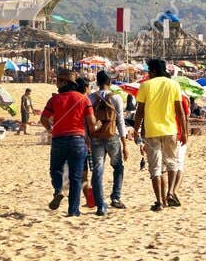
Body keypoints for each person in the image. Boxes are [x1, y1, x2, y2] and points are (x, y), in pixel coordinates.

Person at [134, 57, 189, 212]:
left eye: (149, 71)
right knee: (172, 162)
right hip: (170, 130)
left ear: (154, 71)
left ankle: (159, 201)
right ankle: (170, 192)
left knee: (155, 168)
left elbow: (139, 111)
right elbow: (180, 112)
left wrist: (137, 130)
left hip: (152, 131)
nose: (148, 74)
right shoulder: (173, 85)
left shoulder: (145, 86)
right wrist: (184, 132)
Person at [42, 67, 94, 217]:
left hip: (59, 139)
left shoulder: (54, 99)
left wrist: (50, 129)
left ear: (65, 82)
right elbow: (91, 122)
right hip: (78, 140)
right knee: (76, 177)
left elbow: (43, 118)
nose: (56, 83)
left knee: (55, 170)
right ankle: (73, 211)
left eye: (58, 80)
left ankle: (59, 190)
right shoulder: (84, 99)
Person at [88, 69, 127, 214]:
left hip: (96, 137)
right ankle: (115, 197)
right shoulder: (115, 98)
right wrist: (124, 144)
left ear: (97, 82)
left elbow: (88, 122)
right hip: (112, 137)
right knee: (118, 166)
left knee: (98, 169)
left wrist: (88, 138)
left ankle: (100, 205)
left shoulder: (91, 98)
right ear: (109, 82)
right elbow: (120, 122)